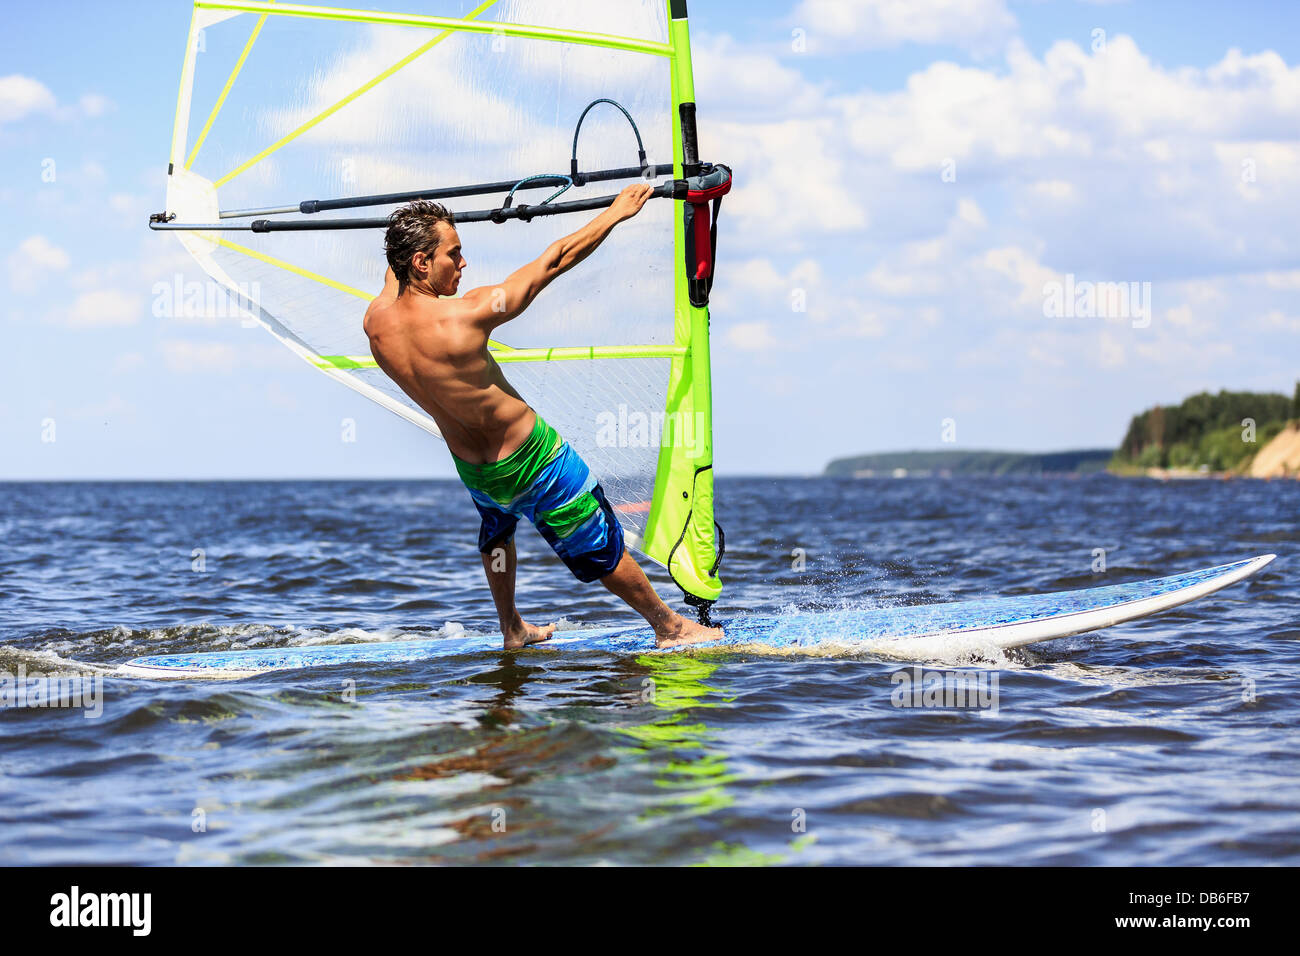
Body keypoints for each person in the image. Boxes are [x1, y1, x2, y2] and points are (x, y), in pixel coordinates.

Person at [363, 184, 723, 650]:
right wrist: (614, 214)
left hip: (479, 472)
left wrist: (408, 232)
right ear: (421, 263)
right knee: (595, 536)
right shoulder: (467, 316)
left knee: (498, 534)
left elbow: (394, 278)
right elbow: (553, 260)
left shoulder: (376, 323)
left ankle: (511, 627)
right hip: (533, 459)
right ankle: (669, 626)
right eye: (455, 254)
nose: (464, 264)